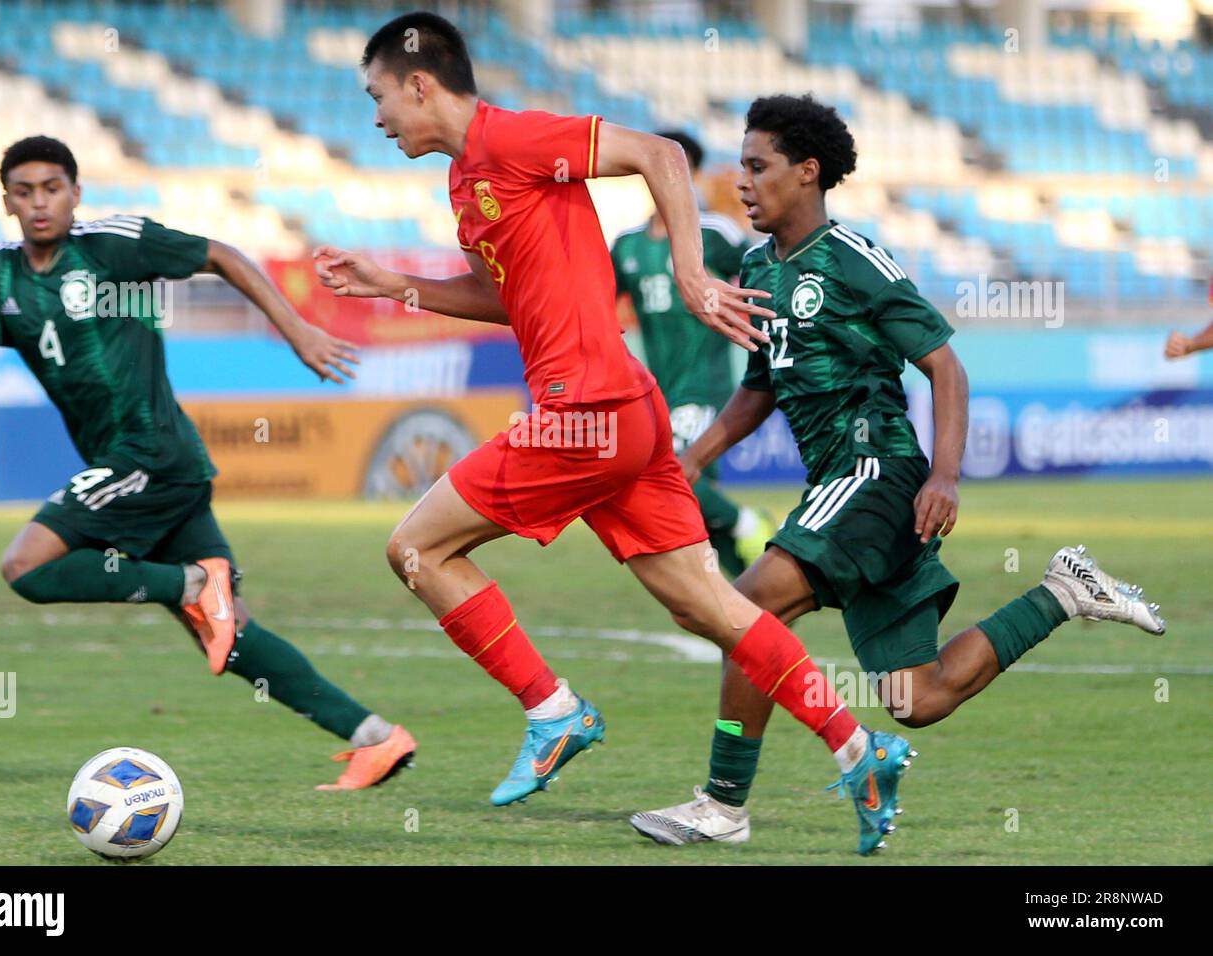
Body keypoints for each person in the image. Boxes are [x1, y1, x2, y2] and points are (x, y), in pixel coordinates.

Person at [314, 12, 915, 854]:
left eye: (379, 97)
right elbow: (509, 303)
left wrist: (688, 269)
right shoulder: (464, 184)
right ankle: (861, 749)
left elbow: (660, 155)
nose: (376, 118)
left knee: (419, 549)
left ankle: (553, 710)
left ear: (420, 83)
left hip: (584, 412)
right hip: (624, 414)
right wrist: (393, 286)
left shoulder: (515, 140)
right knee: (708, 605)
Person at [630, 95, 1166, 846]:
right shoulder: (757, 266)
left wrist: (944, 476)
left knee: (744, 610)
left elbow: (946, 368)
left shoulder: (852, 258)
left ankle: (723, 806)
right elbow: (759, 386)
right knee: (920, 696)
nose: (742, 183)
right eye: (740, 167)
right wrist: (692, 461)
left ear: (807, 172)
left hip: (876, 472)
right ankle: (1061, 593)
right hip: (841, 488)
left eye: (758, 166)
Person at [0, 135, 415, 792]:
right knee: (229, 631)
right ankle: (377, 738)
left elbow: (221, 255)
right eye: (24, 192)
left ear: (75, 193)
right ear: (8, 202)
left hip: (149, 454)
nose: (39, 202)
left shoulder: (114, 244)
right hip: (153, 467)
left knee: (25, 565)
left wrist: (298, 329)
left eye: (52, 188)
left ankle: (192, 582)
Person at [610, 129, 771, 577]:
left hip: (706, 383)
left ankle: (748, 522)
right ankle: (744, 604)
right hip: (659, 388)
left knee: (670, 475)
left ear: (691, 174)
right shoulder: (627, 245)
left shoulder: (714, 233)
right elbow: (598, 301)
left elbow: (765, 274)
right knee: (696, 495)